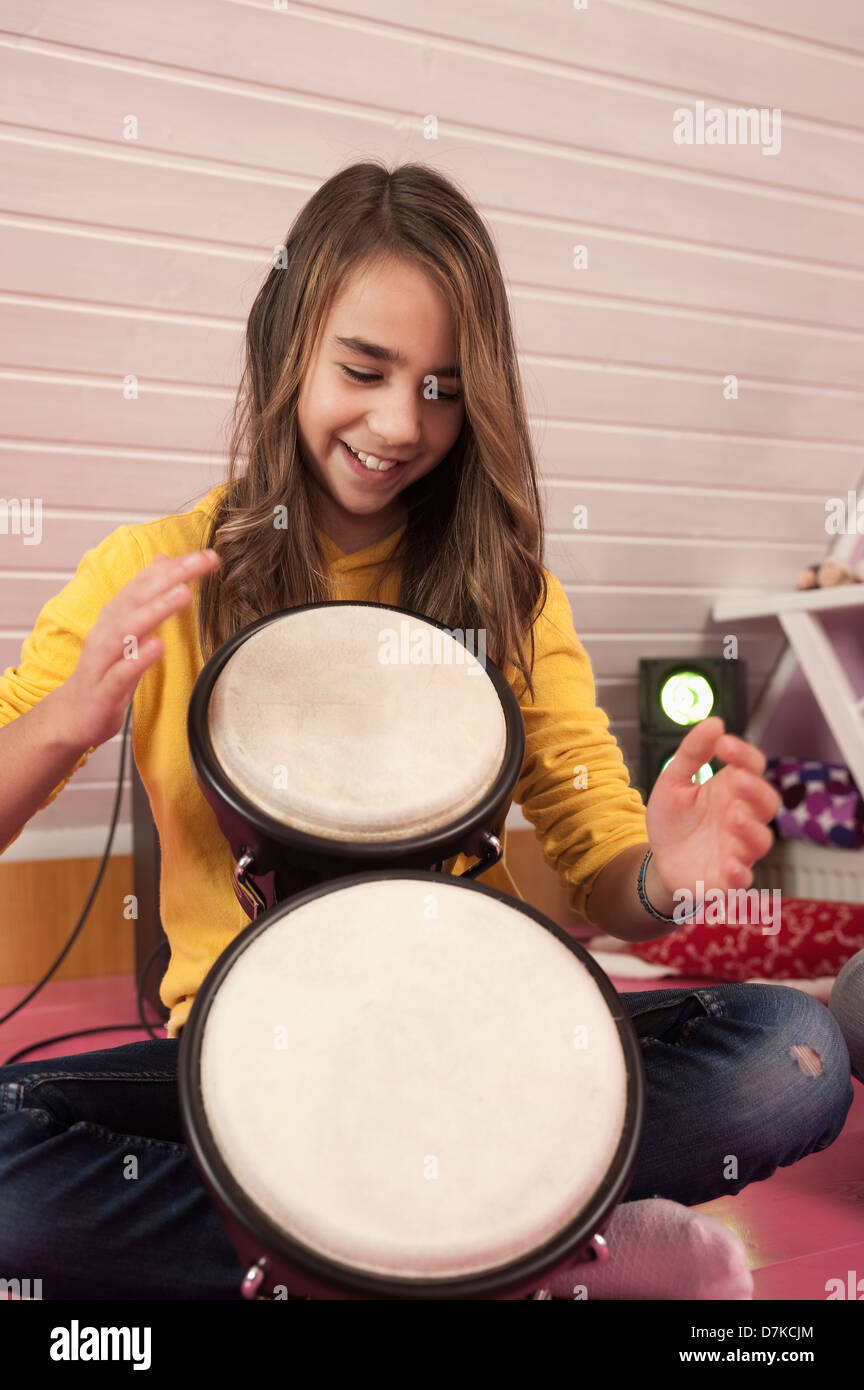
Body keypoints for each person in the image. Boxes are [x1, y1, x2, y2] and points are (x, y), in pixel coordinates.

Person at [0, 161, 853, 1301]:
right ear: (282, 345)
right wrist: (61, 725)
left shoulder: (513, 592)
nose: (402, 424)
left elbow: (606, 867)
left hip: (485, 1049)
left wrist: (667, 876)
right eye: (364, 369)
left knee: (791, 1054)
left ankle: (320, 1268)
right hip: (255, 1068)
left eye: (445, 389)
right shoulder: (149, 575)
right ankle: (523, 1260)